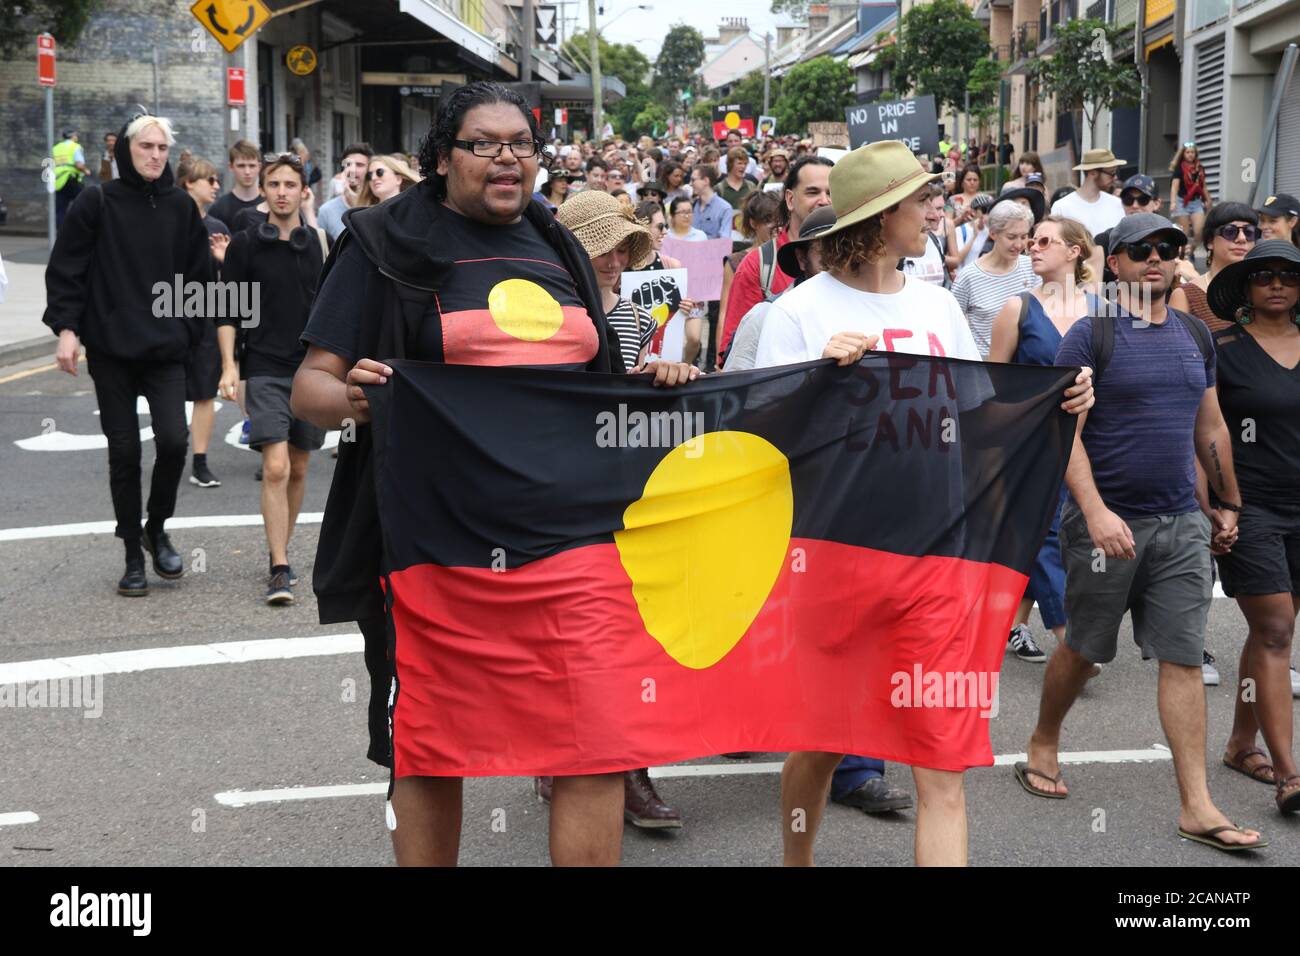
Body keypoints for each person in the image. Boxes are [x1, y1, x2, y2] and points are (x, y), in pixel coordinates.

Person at [290, 80, 697, 867]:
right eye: (485, 143)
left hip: (574, 541)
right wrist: (353, 399)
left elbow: (593, 381)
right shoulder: (382, 242)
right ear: (442, 158)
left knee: (595, 742)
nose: (508, 158)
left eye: (522, 144)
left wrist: (641, 384)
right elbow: (309, 386)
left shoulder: (559, 244)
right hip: (433, 549)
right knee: (433, 748)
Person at [754, 140, 1095, 866]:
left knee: (941, 762)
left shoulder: (938, 302)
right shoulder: (798, 312)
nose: (935, 210)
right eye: (921, 201)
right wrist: (819, 379)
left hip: (938, 557)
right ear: (879, 218)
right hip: (834, 560)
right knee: (820, 744)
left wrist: (1059, 405)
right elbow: (760, 442)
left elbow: (977, 418)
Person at [1017, 212, 1267, 853]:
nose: (1155, 258)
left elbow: (1209, 424)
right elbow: (1063, 434)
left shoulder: (1194, 333)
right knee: (1087, 649)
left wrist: (1226, 502)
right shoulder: (1089, 338)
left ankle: (1197, 805)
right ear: (1114, 261)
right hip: (1105, 521)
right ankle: (1044, 739)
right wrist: (1096, 512)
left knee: (1183, 655)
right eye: (1140, 249)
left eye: (1168, 248)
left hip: (1181, 522)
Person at [43, 112, 210, 596]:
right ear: (126, 152)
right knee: (124, 452)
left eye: (161, 148)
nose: (154, 155)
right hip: (113, 349)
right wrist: (67, 329)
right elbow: (67, 268)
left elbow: (197, 277)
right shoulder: (97, 201)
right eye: (145, 147)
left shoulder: (181, 207)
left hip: (165, 350)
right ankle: (131, 554)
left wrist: (190, 332)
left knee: (175, 442)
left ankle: (156, 527)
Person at [1204, 240, 1300, 812]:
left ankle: (1242, 744)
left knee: (1272, 630)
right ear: (1246, 287)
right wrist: (1218, 503)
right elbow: (1204, 431)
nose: (1277, 285)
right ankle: (1290, 773)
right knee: (1275, 629)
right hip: (1251, 507)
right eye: (1263, 275)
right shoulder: (1223, 350)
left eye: (1288, 275)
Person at [988, 216, 1104, 664]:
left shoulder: (1101, 309)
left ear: (1075, 251)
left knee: (1057, 538)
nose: (1031, 247)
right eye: (1030, 240)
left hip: (1090, 442)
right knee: (1046, 533)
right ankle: (1068, 636)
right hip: (1030, 445)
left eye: (1044, 241)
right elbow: (993, 384)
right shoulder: (1016, 308)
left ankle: (1006, 625)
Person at [217, 152, 326, 605]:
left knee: (299, 466)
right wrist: (229, 366)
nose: (281, 192)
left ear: (303, 191)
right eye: (273, 185)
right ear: (263, 191)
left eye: (289, 185)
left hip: (311, 371)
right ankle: (279, 565)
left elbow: (333, 309)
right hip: (262, 366)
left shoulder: (320, 242)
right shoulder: (245, 244)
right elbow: (226, 310)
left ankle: (281, 549)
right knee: (276, 466)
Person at [718, 155, 834, 361]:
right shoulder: (758, 265)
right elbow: (735, 355)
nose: (824, 200)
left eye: (831, 193)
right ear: (790, 199)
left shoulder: (858, 258)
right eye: (813, 192)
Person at [725, 204, 836, 372]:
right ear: (801, 258)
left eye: (847, 252)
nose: (839, 264)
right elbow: (737, 388)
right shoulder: (764, 316)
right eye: (826, 254)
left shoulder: (863, 306)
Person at [176, 157, 230, 489]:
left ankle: (200, 462)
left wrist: (226, 261)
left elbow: (232, 284)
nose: (215, 186)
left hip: (207, 318)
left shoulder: (219, 229)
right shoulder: (165, 222)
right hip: (168, 313)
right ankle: (169, 444)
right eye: (208, 180)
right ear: (187, 184)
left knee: (204, 393)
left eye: (216, 180)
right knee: (165, 389)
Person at [951, 199, 1040, 356]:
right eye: (1011, 237)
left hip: (1027, 364)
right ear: (993, 233)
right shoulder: (969, 277)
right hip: (985, 367)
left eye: (1024, 236)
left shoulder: (1033, 268)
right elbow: (951, 324)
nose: (1019, 245)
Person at [1169, 203, 1260, 333]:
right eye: (1230, 232)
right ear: (1210, 241)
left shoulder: (1263, 291)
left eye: (1249, 232)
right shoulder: (1185, 295)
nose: (1242, 238)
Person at [1050, 149, 1124, 236]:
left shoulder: (1117, 204)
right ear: (1093, 173)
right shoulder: (1062, 207)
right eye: (1112, 173)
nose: (1115, 177)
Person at [317, 143, 373, 242]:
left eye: (359, 165)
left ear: (370, 170)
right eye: (348, 164)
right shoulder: (326, 210)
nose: (352, 170)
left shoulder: (378, 205)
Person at [901, 182, 949, 288]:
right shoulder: (899, 246)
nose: (938, 215)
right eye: (938, 208)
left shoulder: (935, 241)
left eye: (942, 208)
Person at [1170, 143, 1213, 261]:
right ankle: (1184, 254)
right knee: (1185, 232)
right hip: (1181, 201)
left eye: (1192, 152)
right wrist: (1173, 202)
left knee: (1199, 231)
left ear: (1195, 154)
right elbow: (1174, 187)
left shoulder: (1200, 168)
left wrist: (1208, 200)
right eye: (1188, 152)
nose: (1190, 154)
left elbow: (1203, 186)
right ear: (1183, 154)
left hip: (1196, 202)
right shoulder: (1179, 168)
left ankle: (1191, 251)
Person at [209, 140, 262, 229]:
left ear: (259, 167)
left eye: (252, 166)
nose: (247, 172)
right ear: (231, 167)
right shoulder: (219, 209)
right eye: (241, 166)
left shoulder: (270, 205)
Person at [53, 128, 89, 229]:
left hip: (58, 181)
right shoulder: (75, 146)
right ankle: (81, 229)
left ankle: (61, 234)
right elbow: (79, 164)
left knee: (60, 210)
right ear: (72, 136)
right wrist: (86, 170)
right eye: (76, 135)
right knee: (85, 203)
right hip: (71, 179)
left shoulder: (56, 148)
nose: (77, 137)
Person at [355, 154, 419, 207]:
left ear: (398, 179)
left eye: (379, 172)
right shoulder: (363, 215)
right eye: (369, 175)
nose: (373, 178)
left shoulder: (414, 208)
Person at [689, 166, 732, 242]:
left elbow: (724, 241)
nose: (690, 184)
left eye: (693, 180)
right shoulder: (691, 205)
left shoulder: (725, 208)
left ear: (706, 181)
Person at [718, 146, 756, 213]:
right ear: (730, 164)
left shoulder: (751, 186)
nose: (743, 166)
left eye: (745, 163)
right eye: (739, 163)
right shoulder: (719, 189)